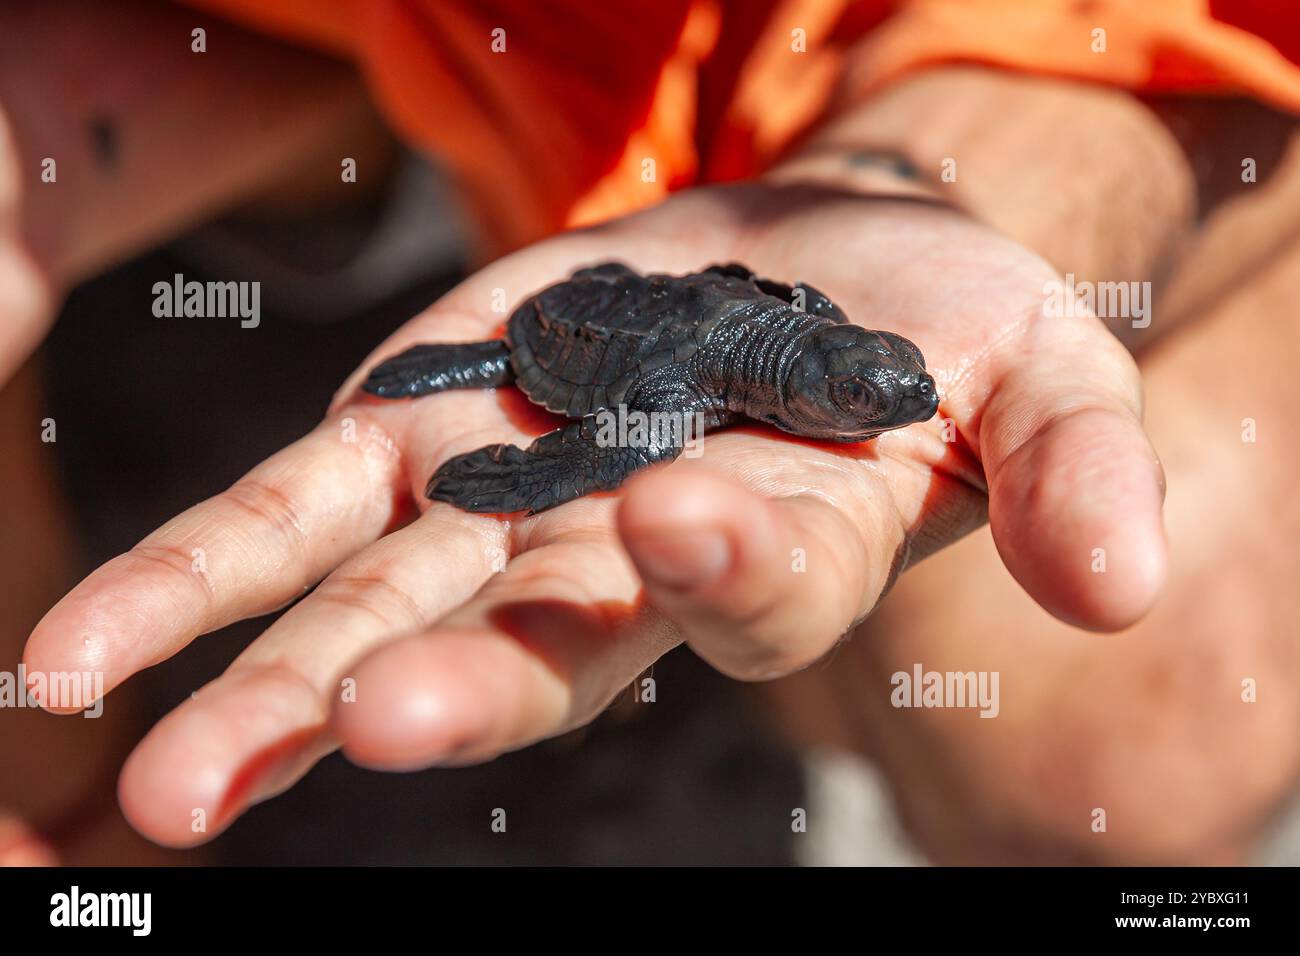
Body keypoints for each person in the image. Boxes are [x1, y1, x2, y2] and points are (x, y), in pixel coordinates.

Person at [2, 0, 1298, 863]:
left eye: (884, 384)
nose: (898, 398)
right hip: (488, 201)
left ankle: (787, 714)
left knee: (1116, 767)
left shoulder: (792, 338)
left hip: (783, 104)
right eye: (871, 392)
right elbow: (636, 394)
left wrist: (896, 177)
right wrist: (524, 453)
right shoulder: (682, 396)